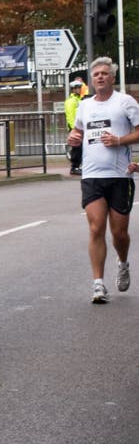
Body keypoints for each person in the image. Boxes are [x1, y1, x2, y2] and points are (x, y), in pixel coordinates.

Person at [67, 56, 139, 304]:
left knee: (119, 233)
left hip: (120, 176)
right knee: (96, 227)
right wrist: (73, 137)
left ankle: (123, 262)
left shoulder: (125, 102)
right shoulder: (85, 106)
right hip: (92, 175)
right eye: (96, 73)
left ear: (113, 78)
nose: (100, 76)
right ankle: (98, 284)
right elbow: (78, 130)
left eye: (104, 73)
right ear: (92, 79)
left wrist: (119, 141)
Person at [65, 79, 84, 175]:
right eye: (77, 88)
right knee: (77, 148)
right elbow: (70, 115)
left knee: (81, 148)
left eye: (80, 87)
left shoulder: (79, 100)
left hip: (81, 128)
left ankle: (79, 165)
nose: (79, 89)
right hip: (75, 128)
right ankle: (74, 167)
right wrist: (74, 129)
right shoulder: (71, 101)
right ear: (73, 89)